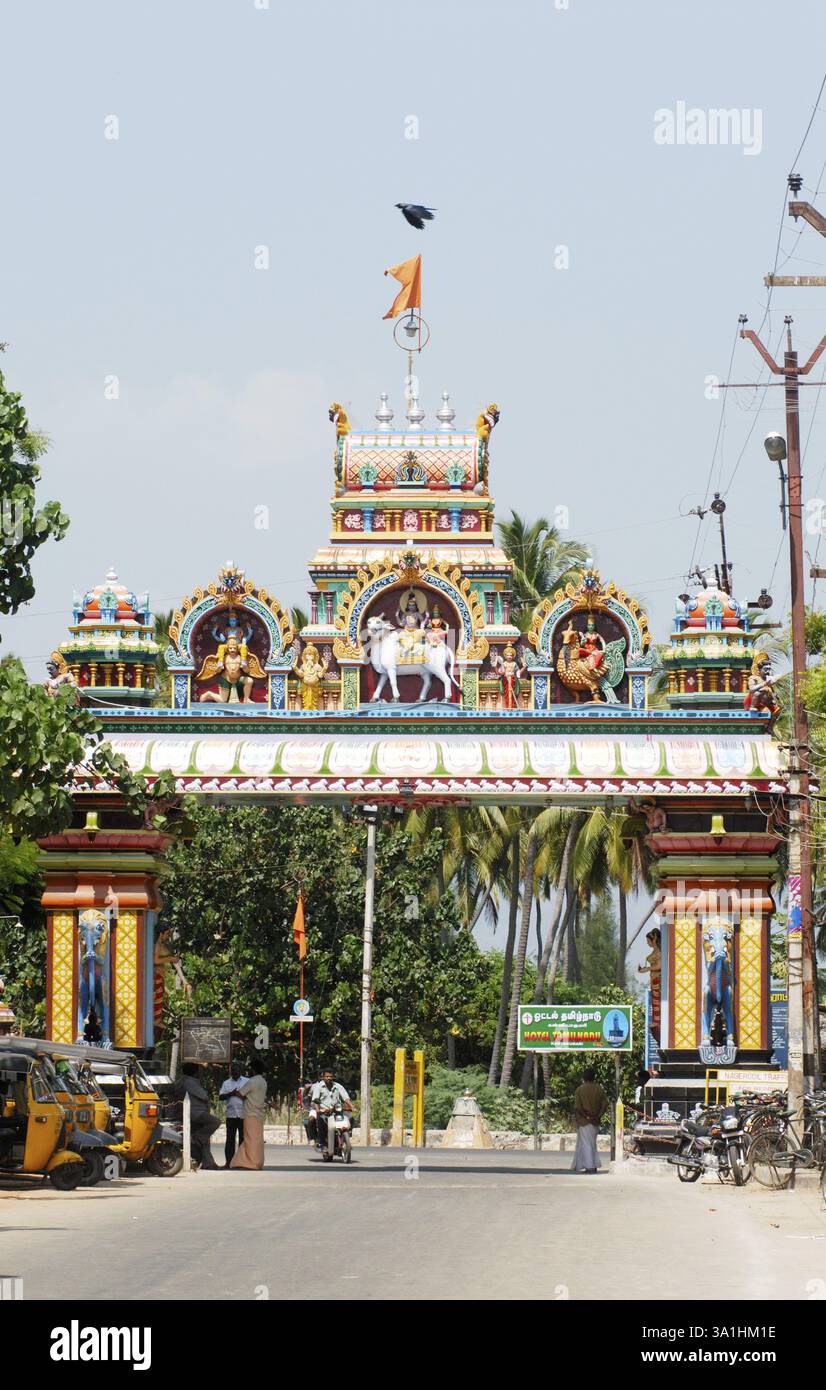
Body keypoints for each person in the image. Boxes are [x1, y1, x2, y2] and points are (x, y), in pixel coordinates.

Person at [173, 1063, 220, 1170]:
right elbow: (203, 1096)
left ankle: (208, 1163)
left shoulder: (181, 1081)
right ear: (194, 1072)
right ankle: (197, 1139)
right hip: (196, 1112)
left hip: (189, 1112)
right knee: (215, 1122)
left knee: (205, 1139)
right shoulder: (190, 1082)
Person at [229, 1058, 267, 1170]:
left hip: (250, 1113)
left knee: (250, 1140)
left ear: (254, 1070)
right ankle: (258, 1161)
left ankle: (250, 1162)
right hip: (259, 1114)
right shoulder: (263, 1081)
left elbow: (240, 1094)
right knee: (257, 1140)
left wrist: (237, 1093)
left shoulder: (252, 1081)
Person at [571, 1068, 609, 1174]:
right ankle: (594, 1164)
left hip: (584, 1121)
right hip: (595, 1121)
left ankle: (589, 1166)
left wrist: (587, 1117)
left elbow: (578, 1107)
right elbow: (605, 1104)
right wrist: (598, 1116)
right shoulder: (599, 1089)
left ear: (584, 1077)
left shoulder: (579, 1089)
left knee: (586, 1144)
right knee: (592, 1143)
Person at [310, 1067, 353, 1153]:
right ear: (323, 1077)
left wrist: (352, 1106)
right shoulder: (318, 1087)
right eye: (327, 1076)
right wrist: (318, 1109)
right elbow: (315, 1099)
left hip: (336, 1111)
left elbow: (345, 1098)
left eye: (331, 1076)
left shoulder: (338, 1086)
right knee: (320, 1120)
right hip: (324, 1111)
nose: (329, 1078)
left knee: (350, 1117)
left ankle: (347, 1137)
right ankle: (322, 1144)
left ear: (333, 1077)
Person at [219, 1061, 248, 1168]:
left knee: (242, 1140)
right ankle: (229, 1162)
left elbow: (251, 1095)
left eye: (236, 1070)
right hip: (231, 1115)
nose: (234, 1072)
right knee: (230, 1140)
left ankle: (241, 1162)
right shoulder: (226, 1083)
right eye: (233, 1071)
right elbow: (220, 1097)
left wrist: (241, 1095)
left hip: (243, 1114)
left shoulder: (247, 1081)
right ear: (230, 1071)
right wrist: (231, 1093)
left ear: (240, 1071)